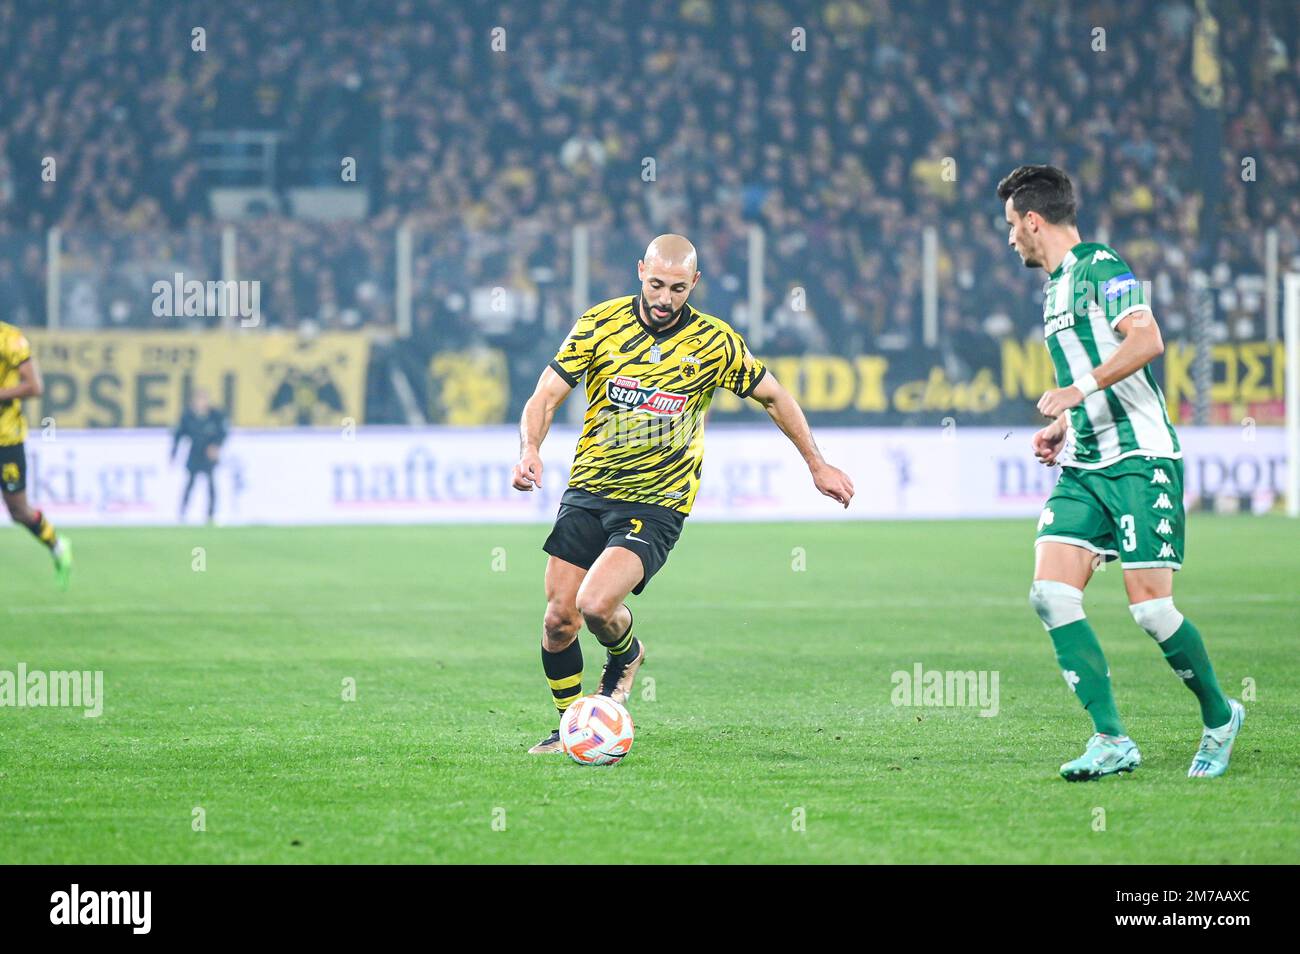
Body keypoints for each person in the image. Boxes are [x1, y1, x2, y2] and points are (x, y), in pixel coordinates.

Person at [512, 234, 855, 754]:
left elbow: (774, 395)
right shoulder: (600, 323)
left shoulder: (715, 343)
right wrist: (530, 448)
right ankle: (573, 727)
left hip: (657, 502)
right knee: (560, 620)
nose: (665, 298)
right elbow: (546, 393)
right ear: (640, 273)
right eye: (656, 284)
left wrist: (816, 463)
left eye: (677, 288)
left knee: (596, 605)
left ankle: (624, 657)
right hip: (589, 489)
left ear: (694, 283)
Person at [998, 165, 1244, 780]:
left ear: (1033, 220)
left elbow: (1147, 339)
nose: (1009, 241)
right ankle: (1111, 739)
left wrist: (1075, 391)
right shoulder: (1053, 290)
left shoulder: (1101, 266)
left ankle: (1220, 717)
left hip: (1139, 458)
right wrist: (1061, 426)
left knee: (1152, 611)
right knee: (1050, 596)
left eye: (1010, 226)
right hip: (1085, 463)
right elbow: (1100, 369)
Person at [0, 321, 72, 587]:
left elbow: (35, 387)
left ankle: (56, 543)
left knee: (18, 511)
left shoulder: (10, 339)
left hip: (6, 440)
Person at [171, 389, 227, 523]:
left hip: (208, 454)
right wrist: (173, 454)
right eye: (199, 400)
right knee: (190, 483)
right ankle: (183, 512)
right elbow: (178, 435)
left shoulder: (215, 415)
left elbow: (223, 433)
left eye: (204, 399)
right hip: (194, 453)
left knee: (211, 484)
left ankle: (211, 514)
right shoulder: (188, 417)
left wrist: (216, 446)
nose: (201, 403)